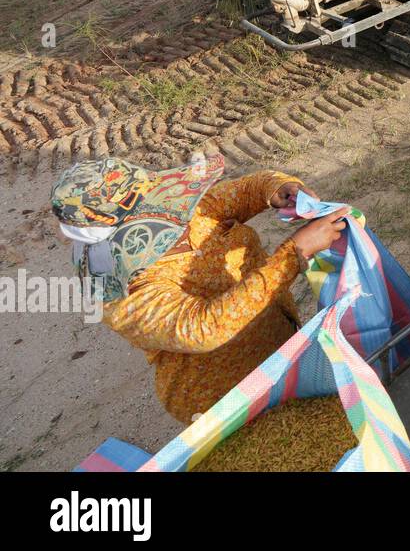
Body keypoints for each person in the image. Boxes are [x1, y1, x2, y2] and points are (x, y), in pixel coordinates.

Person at [51, 154, 344, 422]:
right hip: (224, 399)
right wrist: (292, 254)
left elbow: (247, 189)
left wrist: (279, 187)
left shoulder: (182, 210)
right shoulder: (119, 292)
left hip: (283, 346)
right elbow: (204, 328)